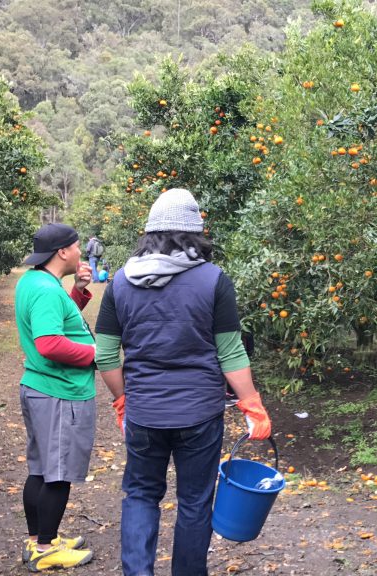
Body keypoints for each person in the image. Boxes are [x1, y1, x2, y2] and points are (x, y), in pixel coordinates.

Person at [94, 188, 272, 576]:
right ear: (195, 234)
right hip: (199, 416)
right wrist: (252, 404)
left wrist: (123, 400)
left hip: (144, 413)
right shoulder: (213, 280)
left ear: (149, 233)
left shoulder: (120, 283)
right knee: (194, 501)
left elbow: (105, 356)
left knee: (140, 495)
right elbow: (231, 353)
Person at [14, 223, 97, 571]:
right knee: (58, 474)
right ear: (63, 252)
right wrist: (96, 353)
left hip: (39, 388)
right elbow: (49, 343)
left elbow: (55, 324)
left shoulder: (34, 282)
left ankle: (38, 540)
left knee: (41, 469)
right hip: (59, 391)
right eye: (77, 247)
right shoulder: (47, 290)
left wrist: (77, 292)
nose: (81, 253)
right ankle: (46, 550)